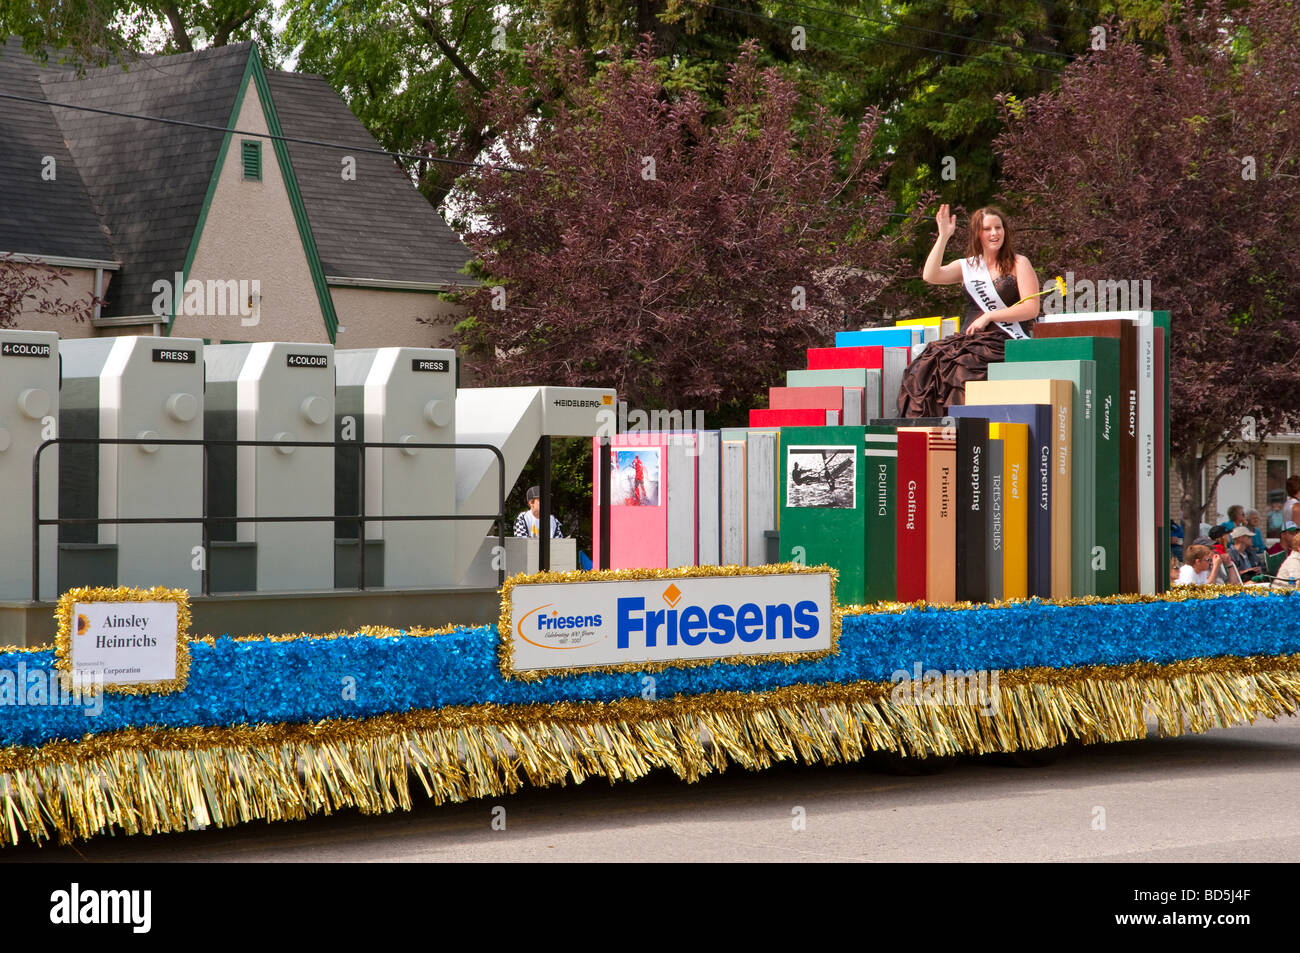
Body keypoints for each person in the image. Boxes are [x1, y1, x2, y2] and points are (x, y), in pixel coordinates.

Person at [898, 204, 1042, 417]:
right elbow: (930, 275)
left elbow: (1032, 309)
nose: (994, 233)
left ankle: (966, 432)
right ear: (978, 234)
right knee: (925, 367)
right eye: (987, 229)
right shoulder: (968, 266)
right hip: (969, 340)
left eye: (998, 227)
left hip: (1003, 340)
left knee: (963, 369)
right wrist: (944, 237)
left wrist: (991, 315)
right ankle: (930, 434)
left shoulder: (1019, 263)